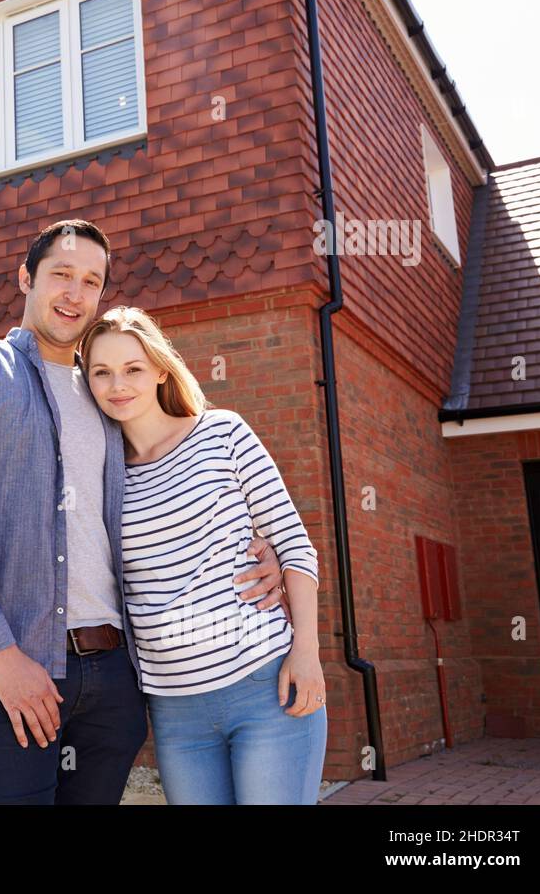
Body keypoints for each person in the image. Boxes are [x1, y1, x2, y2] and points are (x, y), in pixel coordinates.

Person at [0, 218, 289, 804]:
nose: (75, 293)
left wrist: (264, 552)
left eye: (91, 281)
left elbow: (172, 490)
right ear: (25, 278)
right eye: (61, 274)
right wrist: (0, 656)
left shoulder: (107, 392)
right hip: (12, 671)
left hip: (113, 677)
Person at [80, 305, 327, 804]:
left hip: (265, 686)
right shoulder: (102, 476)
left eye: (132, 369)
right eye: (101, 372)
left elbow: (295, 545)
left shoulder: (222, 434)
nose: (116, 385)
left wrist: (307, 653)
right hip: (174, 710)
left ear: (160, 371)